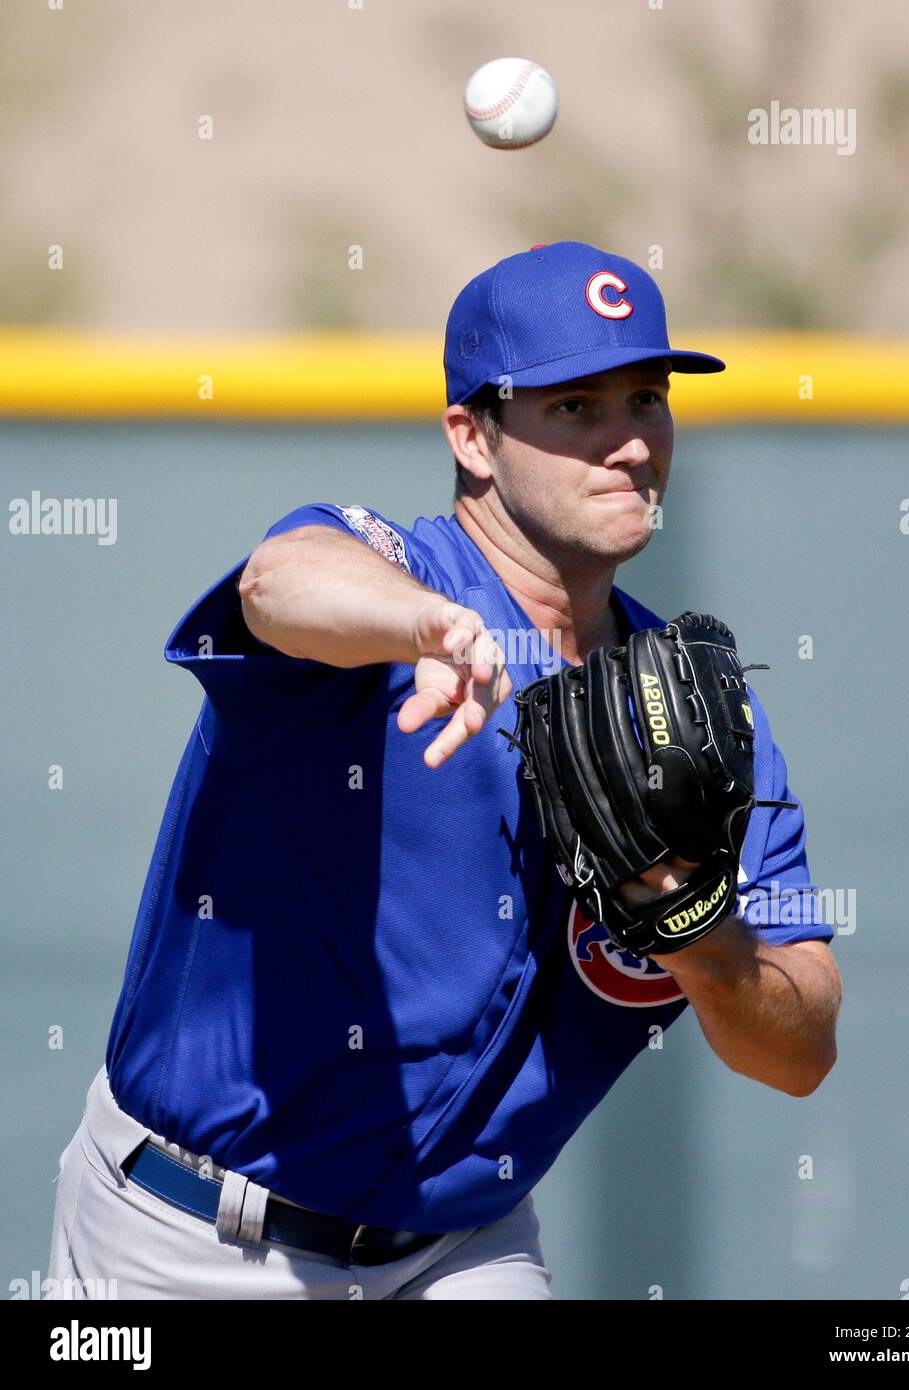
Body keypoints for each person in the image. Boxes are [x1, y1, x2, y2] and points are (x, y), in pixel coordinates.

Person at [47, 241, 841, 1301]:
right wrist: (419, 626)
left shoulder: (696, 712)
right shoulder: (394, 582)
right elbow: (281, 583)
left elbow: (801, 1047)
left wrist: (692, 925)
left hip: (463, 1248)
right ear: (471, 433)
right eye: (575, 408)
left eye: (646, 399)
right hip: (192, 1235)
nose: (630, 444)